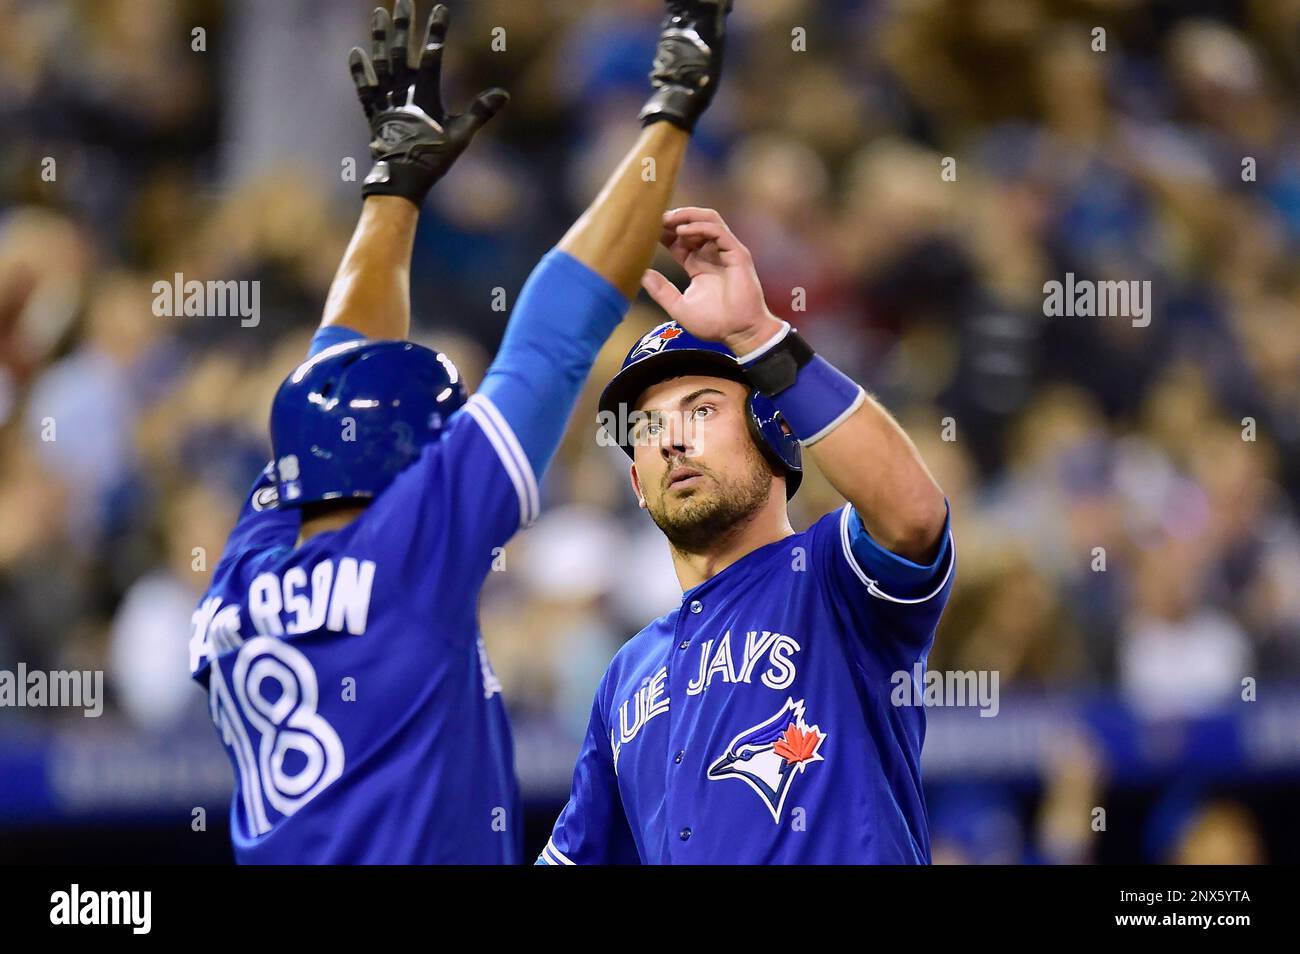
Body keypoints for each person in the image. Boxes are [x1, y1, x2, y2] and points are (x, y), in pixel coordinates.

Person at [189, 0, 734, 863]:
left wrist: (391, 193)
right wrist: (670, 115)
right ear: (407, 467)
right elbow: (556, 334)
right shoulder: (406, 549)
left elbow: (336, 369)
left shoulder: (244, 565)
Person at [539, 205, 954, 864]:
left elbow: (914, 513)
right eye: (645, 429)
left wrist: (758, 334)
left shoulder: (832, 578)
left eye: (701, 410)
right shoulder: (625, 675)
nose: (670, 438)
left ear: (773, 429)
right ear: (637, 483)